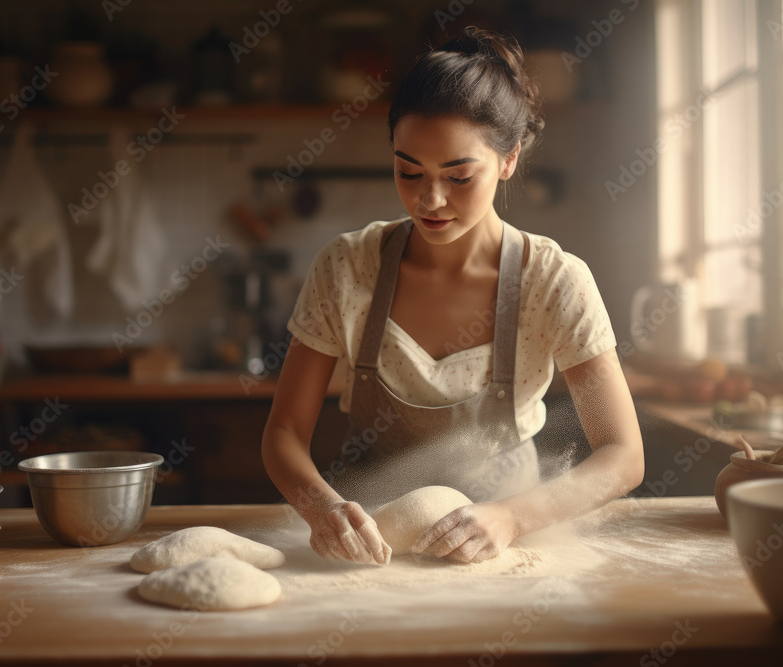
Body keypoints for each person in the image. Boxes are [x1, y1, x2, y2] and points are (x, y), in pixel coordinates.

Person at [261, 27, 643, 566]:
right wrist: (322, 508)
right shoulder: (346, 267)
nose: (430, 199)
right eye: (408, 171)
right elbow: (283, 433)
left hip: (511, 550)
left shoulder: (554, 281)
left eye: (459, 177)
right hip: (373, 550)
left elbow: (623, 455)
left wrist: (512, 518)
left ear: (508, 160)